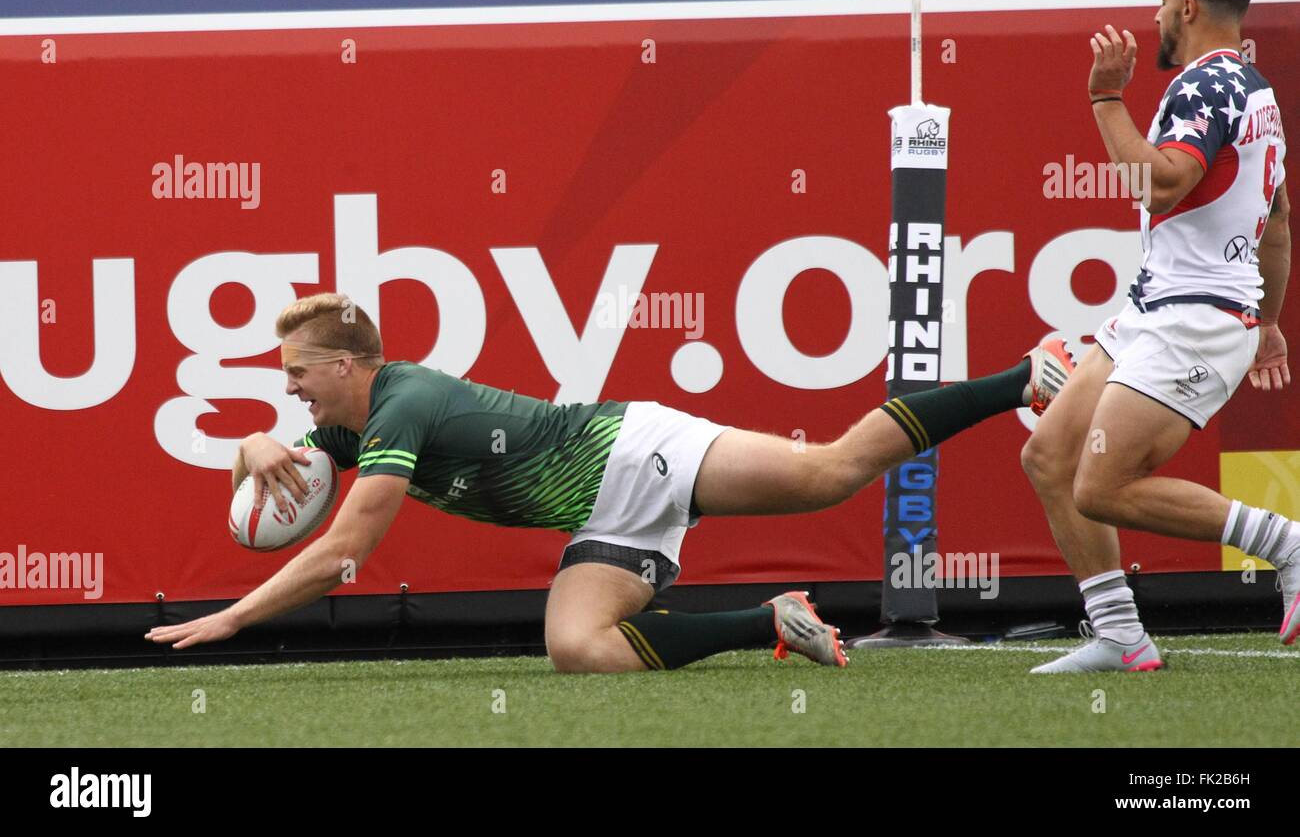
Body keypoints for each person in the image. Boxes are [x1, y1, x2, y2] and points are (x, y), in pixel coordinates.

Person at [147, 292, 1075, 672]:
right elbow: (268, 473)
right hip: (605, 516)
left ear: (350, 366)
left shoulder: (401, 407)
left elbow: (345, 551)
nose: (291, 391)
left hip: (634, 450)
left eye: (298, 376)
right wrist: (255, 444)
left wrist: (231, 616)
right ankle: (772, 620)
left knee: (831, 470)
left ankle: (1020, 377)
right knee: (578, 651)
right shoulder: (351, 424)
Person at [1021, 0, 1291, 673]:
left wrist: (1105, 98)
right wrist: (1268, 324)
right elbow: (1276, 222)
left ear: (1188, 6)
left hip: (1194, 318)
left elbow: (1160, 184)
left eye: (1161, 1)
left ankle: (1287, 547)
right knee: (1049, 455)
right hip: (1160, 309)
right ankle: (1119, 635)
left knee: (1102, 486)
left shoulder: (1208, 86)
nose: (1155, 15)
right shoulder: (1256, 89)